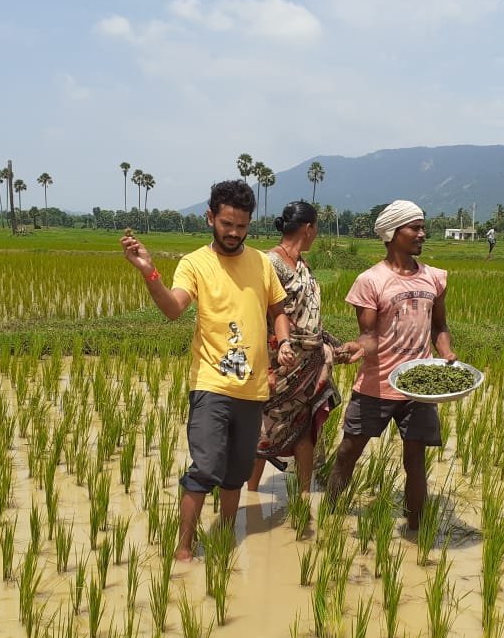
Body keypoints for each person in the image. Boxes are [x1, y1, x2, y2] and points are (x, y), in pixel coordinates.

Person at [120, 180, 295, 561]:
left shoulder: (262, 263)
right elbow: (173, 308)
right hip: (211, 384)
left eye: (241, 226)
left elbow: (278, 312)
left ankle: (226, 541)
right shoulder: (195, 263)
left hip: (252, 390)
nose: (233, 233)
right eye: (226, 224)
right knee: (206, 467)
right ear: (210, 217)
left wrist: (283, 343)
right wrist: (149, 273)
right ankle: (183, 550)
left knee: (236, 472)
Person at [324, 200, 456, 531]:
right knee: (347, 453)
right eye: (415, 227)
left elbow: (438, 327)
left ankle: (418, 529)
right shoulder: (371, 280)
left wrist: (447, 352)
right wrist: (357, 347)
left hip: (417, 383)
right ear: (392, 233)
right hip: (377, 384)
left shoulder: (435, 278)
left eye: (422, 226)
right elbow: (369, 335)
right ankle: (329, 516)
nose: (422, 233)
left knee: (415, 460)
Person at [246, 201, 362, 496]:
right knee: (264, 429)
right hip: (280, 364)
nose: (317, 234)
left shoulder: (302, 265)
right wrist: (266, 368)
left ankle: (303, 499)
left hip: (309, 367)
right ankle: (252, 492)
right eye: (317, 228)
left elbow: (310, 324)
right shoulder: (270, 263)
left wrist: (335, 346)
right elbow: (258, 318)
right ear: (308, 229)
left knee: (304, 426)